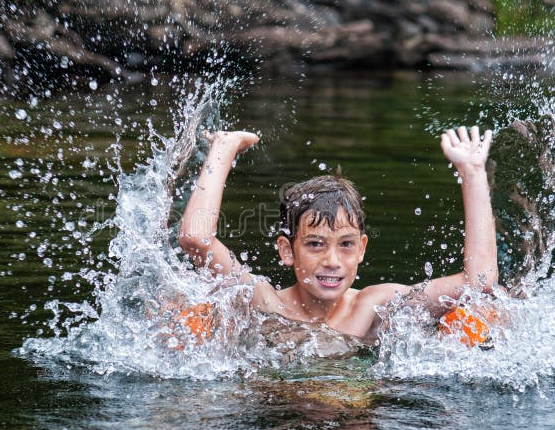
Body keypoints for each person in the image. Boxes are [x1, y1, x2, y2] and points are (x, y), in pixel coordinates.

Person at [177, 127, 498, 345]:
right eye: (315, 244)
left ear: (361, 249)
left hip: (356, 427)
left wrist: (472, 173)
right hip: (282, 418)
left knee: (483, 318)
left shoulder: (374, 307)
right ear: (287, 251)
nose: (332, 261)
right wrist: (224, 148)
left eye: (345, 245)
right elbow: (195, 238)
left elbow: (479, 281)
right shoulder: (265, 303)